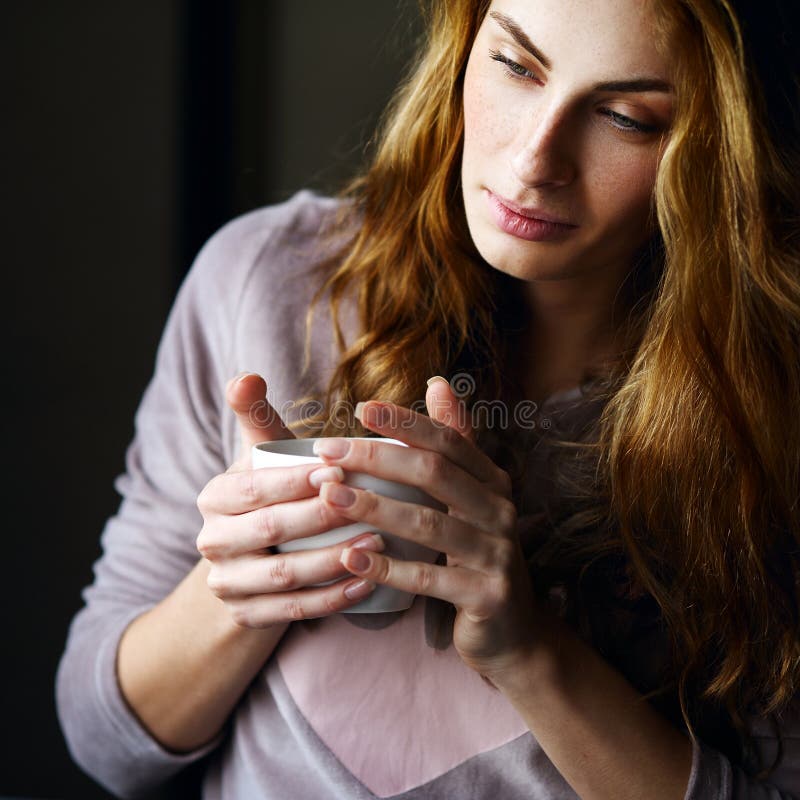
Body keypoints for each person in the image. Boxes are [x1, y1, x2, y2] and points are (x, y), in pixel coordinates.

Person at [56, 0, 800, 798]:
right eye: (516, 65)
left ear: (727, 149)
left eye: (625, 117)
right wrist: (247, 584)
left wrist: (529, 651)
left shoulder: (770, 412)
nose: (531, 162)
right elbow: (107, 746)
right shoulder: (270, 280)